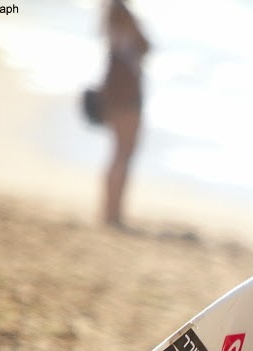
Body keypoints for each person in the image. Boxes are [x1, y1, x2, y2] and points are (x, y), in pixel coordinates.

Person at [99, 0, 150, 229]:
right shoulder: (121, 13)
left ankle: (111, 211)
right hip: (126, 95)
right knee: (124, 154)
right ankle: (113, 213)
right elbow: (146, 45)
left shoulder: (111, 13)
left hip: (116, 93)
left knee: (119, 154)